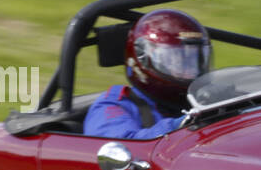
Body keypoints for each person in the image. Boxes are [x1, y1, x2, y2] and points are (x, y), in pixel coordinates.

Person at [83, 8, 211, 139]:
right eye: (176, 62)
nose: (188, 71)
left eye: (193, 61)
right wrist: (177, 126)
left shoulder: (202, 99)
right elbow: (120, 145)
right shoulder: (112, 105)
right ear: (142, 60)